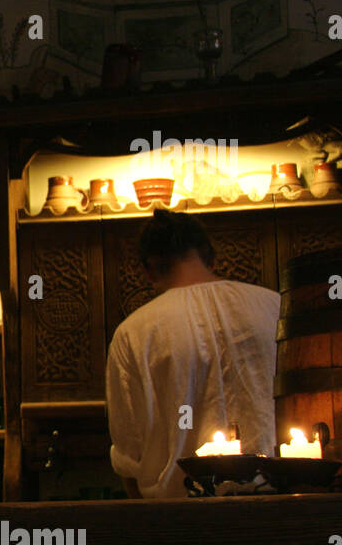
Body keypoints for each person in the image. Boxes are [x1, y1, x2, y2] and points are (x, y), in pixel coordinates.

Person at [106, 209, 280, 498]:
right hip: (281, 504)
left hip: (179, 517)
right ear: (212, 257)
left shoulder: (133, 332)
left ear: (148, 270)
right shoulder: (273, 306)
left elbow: (129, 452)